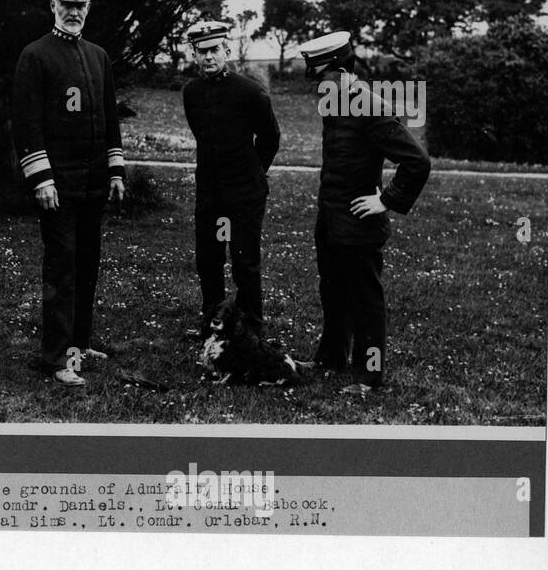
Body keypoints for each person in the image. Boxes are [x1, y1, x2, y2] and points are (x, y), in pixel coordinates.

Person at [297, 31, 432, 395]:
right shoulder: (336, 101)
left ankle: (368, 377)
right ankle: (331, 359)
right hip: (331, 218)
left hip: (359, 223)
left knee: (365, 299)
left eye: (321, 77)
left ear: (341, 70)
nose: (317, 86)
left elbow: (417, 162)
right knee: (333, 290)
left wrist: (386, 200)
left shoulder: (370, 106)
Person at [12, 0, 126, 387]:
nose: (74, 11)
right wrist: (41, 178)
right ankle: (55, 356)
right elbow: (26, 124)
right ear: (53, 6)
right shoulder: (35, 55)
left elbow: (110, 118)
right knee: (61, 269)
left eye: (81, 5)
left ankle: (79, 342)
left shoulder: (97, 55)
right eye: (67, 4)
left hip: (94, 183)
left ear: (88, 8)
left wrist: (115, 169)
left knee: (88, 265)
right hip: (57, 187)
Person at [182, 20, 280, 336]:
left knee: (244, 261)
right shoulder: (192, 92)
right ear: (194, 54)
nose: (208, 57)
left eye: (214, 50)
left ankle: (251, 325)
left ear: (226, 50)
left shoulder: (250, 91)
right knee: (208, 258)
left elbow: (270, 137)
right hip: (209, 191)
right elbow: (202, 134)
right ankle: (212, 320)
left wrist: (251, 173)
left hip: (244, 191)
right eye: (202, 51)